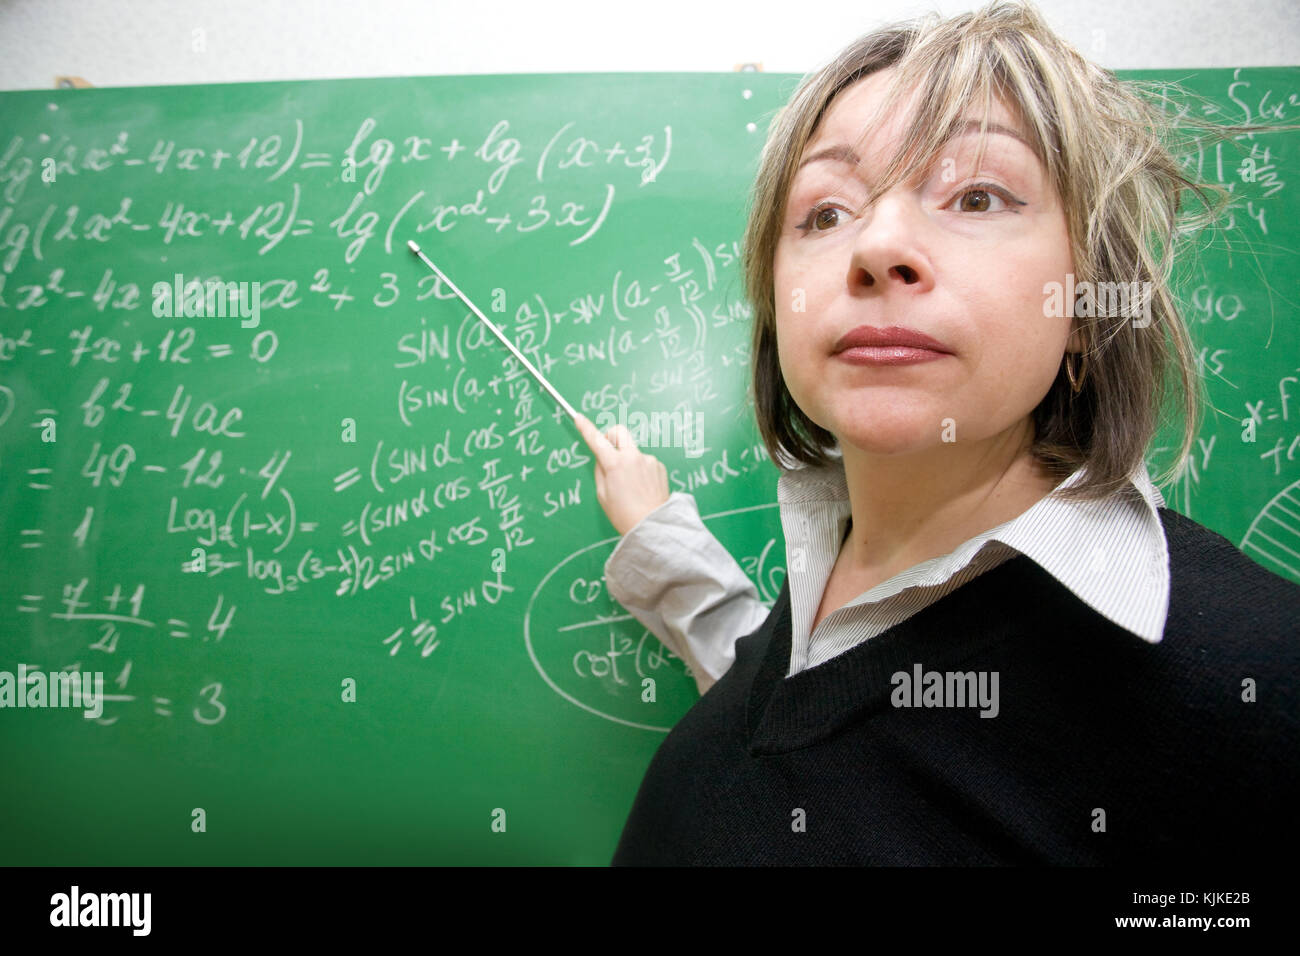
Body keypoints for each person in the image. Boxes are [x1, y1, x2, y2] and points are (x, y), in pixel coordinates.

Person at [573, 0, 1300, 865]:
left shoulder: (1257, 684)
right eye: (826, 212)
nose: (877, 245)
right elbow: (814, 723)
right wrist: (663, 550)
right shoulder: (824, 579)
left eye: (978, 195)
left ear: (1085, 300)